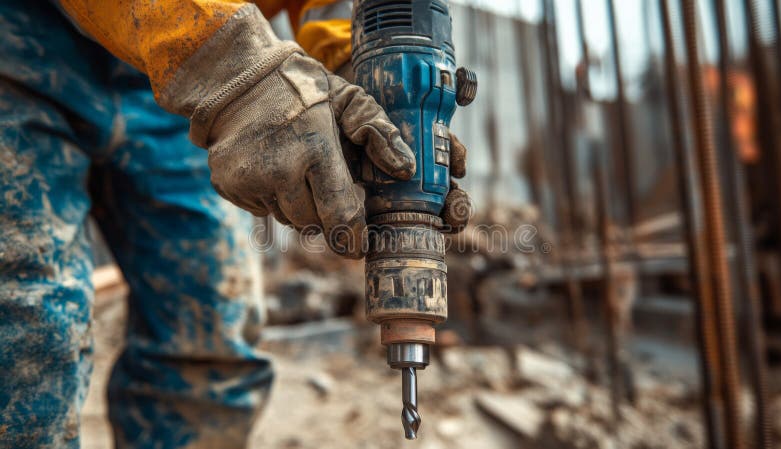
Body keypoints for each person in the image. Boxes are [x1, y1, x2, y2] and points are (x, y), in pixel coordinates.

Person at [0, 1, 469, 448]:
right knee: (25, 344)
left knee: (210, 349)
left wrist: (360, 69)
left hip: (176, 82)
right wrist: (236, 68)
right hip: (28, 43)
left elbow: (334, 6)